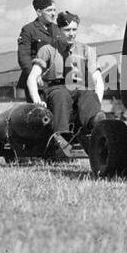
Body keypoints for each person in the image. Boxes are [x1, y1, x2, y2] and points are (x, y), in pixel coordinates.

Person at [27, 11, 103, 158]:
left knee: (88, 94)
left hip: (79, 86)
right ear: (59, 30)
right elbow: (32, 77)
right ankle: (61, 145)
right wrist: (37, 99)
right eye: (67, 30)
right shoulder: (47, 50)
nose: (71, 34)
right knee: (61, 96)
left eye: (74, 30)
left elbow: (98, 79)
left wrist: (97, 100)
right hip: (57, 88)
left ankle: (96, 122)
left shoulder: (87, 51)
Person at [16, 0, 63, 95]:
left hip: (56, 82)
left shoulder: (58, 29)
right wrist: (34, 76)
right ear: (39, 12)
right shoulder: (28, 30)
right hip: (37, 83)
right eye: (49, 10)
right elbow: (24, 57)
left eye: (54, 10)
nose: (53, 14)